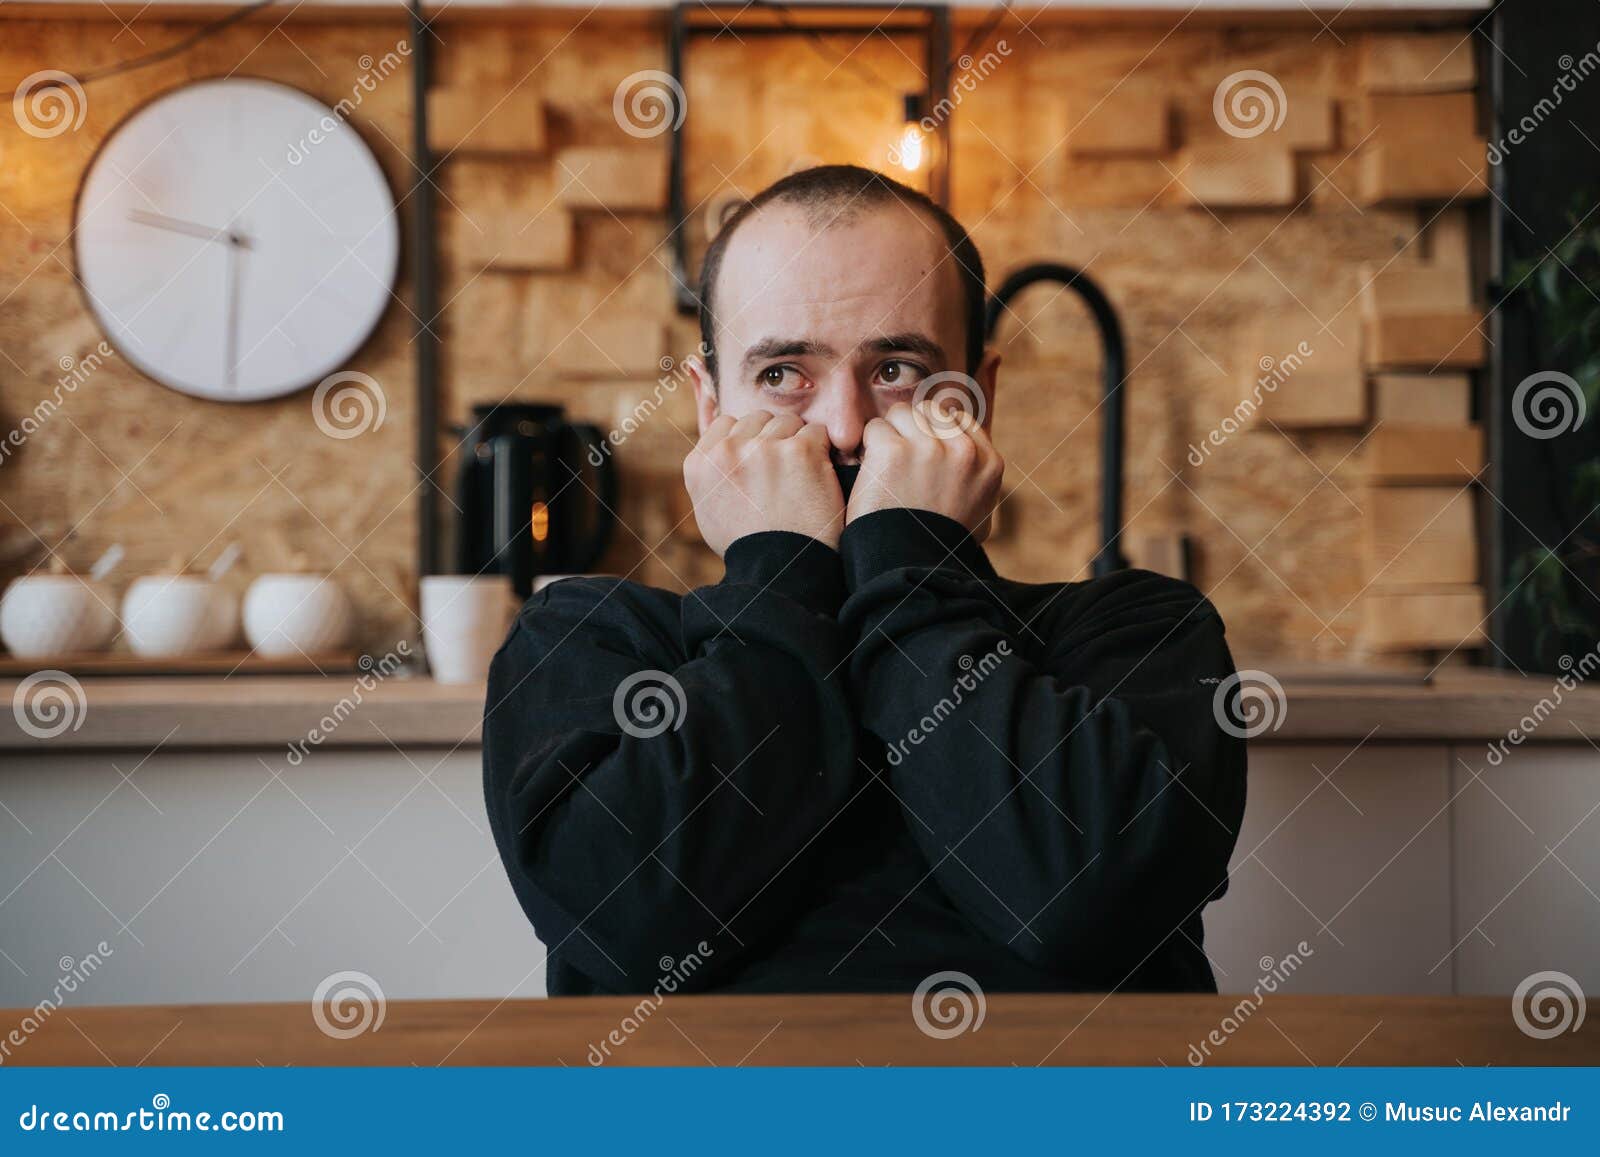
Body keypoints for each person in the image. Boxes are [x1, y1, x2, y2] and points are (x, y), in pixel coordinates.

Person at [482, 164, 1246, 996]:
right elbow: (635, 927)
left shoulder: (1141, 633)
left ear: (976, 397)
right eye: (782, 374)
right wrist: (780, 573)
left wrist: (910, 562)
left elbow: (1085, 908)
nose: (845, 426)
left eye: (895, 370)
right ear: (710, 408)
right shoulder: (588, 639)